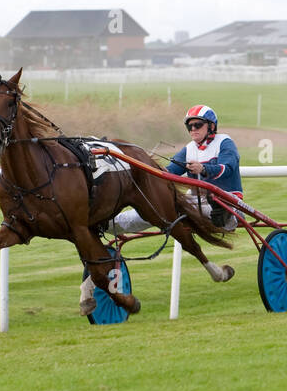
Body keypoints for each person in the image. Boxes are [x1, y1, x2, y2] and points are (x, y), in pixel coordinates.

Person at [80, 104, 242, 314]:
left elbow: (227, 168)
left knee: (190, 209)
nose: (193, 130)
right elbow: (165, 174)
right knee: (155, 208)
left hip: (225, 203)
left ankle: (221, 220)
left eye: (197, 125)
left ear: (211, 126)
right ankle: (111, 223)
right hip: (195, 203)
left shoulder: (225, 143)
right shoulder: (189, 149)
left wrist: (204, 169)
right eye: (189, 126)